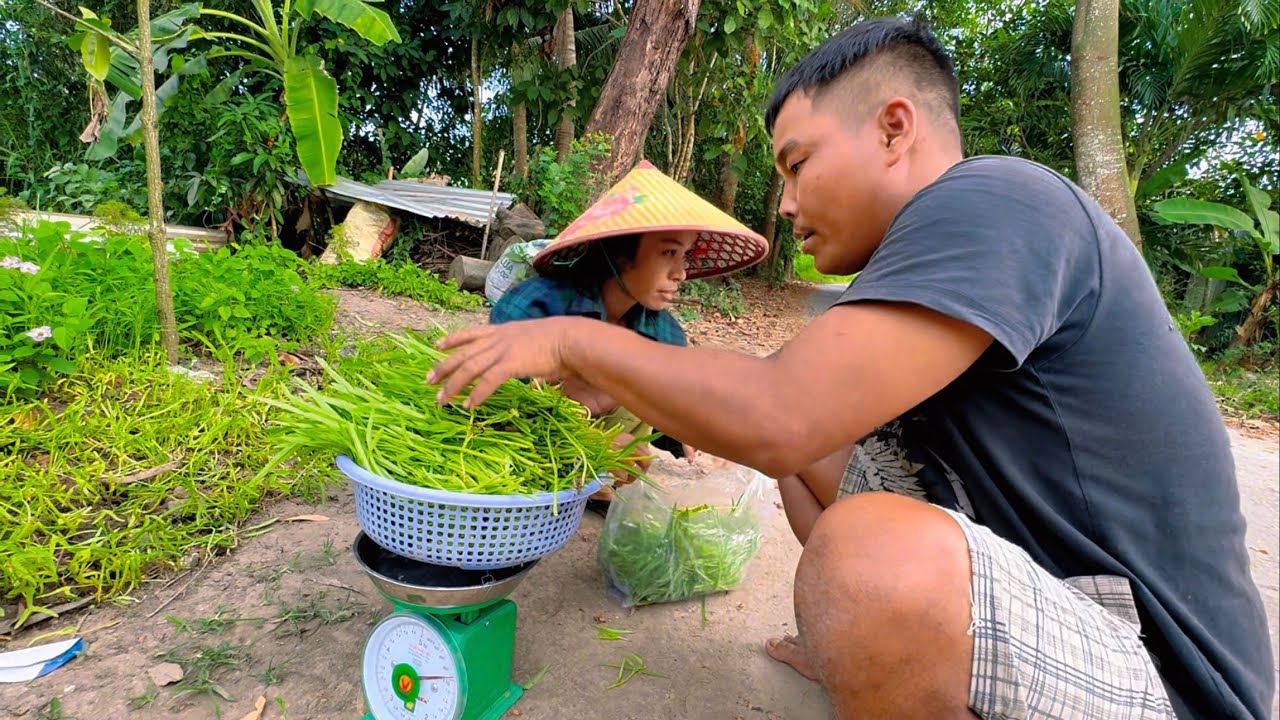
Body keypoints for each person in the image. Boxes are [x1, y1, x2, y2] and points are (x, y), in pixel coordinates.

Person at [428, 17, 1274, 720]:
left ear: (894, 128)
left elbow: (779, 411)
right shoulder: (912, 277)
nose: (788, 200)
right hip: (1057, 605)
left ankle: (902, 633)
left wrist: (578, 345)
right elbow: (790, 437)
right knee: (829, 464)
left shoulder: (998, 200)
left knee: (868, 560)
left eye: (797, 163)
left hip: (1158, 677)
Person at [489, 160, 769, 509]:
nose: (681, 273)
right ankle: (572, 476)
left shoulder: (665, 334)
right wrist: (588, 440)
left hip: (602, 462)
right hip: (524, 456)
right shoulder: (537, 306)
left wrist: (702, 433)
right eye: (668, 252)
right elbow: (496, 406)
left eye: (684, 256)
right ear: (621, 254)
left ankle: (597, 485)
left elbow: (670, 411)